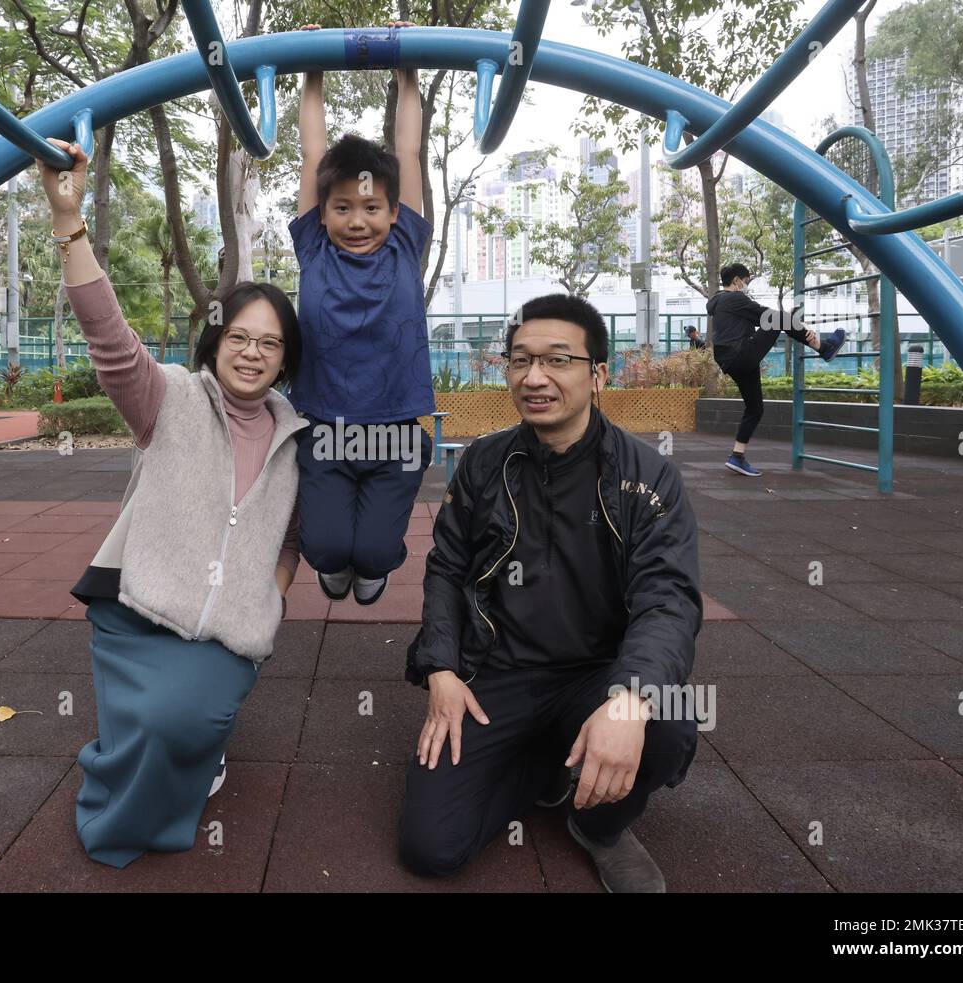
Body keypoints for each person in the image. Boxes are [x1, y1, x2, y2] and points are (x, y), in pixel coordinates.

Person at [34, 136, 308, 869]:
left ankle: (194, 747)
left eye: (270, 344)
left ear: (286, 359)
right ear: (214, 341)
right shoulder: (171, 400)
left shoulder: (298, 440)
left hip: (232, 625)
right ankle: (123, 804)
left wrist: (271, 598)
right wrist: (69, 222)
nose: (251, 353)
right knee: (155, 725)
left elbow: (289, 540)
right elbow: (109, 336)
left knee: (192, 717)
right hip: (143, 603)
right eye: (239, 337)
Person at [398, 293, 702, 893]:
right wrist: (440, 669)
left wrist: (630, 697)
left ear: (597, 375)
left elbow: (669, 597)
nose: (534, 378)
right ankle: (543, 762)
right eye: (520, 360)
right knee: (430, 848)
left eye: (557, 361)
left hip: (595, 674)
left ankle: (600, 826)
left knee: (666, 719)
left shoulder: (645, 476)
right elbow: (446, 568)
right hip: (496, 675)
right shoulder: (484, 463)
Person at [290, 20, 434, 607]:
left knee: (372, 554)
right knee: (323, 549)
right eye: (342, 206)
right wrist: (312, 71)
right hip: (324, 428)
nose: (356, 220)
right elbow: (312, 153)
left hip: (396, 430)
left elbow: (408, 151)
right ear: (322, 214)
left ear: (394, 211)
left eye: (371, 207)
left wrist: (407, 75)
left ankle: (375, 560)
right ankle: (336, 559)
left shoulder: (406, 246)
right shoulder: (313, 249)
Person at [707, 263, 846, 476]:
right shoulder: (733, 298)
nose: (746, 285)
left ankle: (737, 456)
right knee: (779, 317)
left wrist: (789, 322)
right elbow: (769, 317)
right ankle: (824, 348)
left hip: (734, 361)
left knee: (755, 409)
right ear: (736, 280)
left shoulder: (719, 303)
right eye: (746, 280)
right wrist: (795, 325)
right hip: (740, 355)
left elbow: (762, 319)